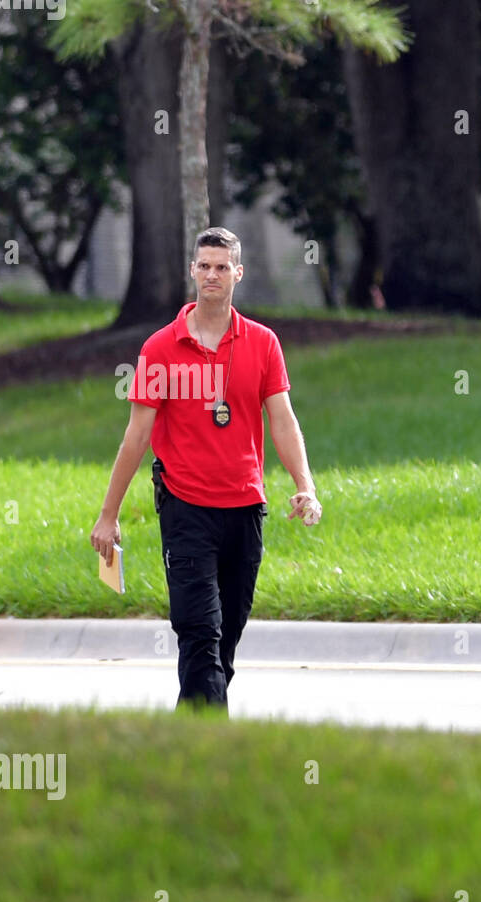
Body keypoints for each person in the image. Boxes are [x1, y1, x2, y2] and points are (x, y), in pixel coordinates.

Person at [90, 227, 323, 711]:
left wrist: (306, 486)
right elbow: (135, 437)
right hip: (185, 508)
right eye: (204, 266)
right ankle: (212, 740)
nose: (212, 275)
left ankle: (191, 737)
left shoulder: (262, 343)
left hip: (245, 507)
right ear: (192, 270)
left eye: (222, 266)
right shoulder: (160, 348)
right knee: (199, 630)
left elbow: (282, 420)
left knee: (226, 637)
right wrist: (108, 515)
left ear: (238, 272)